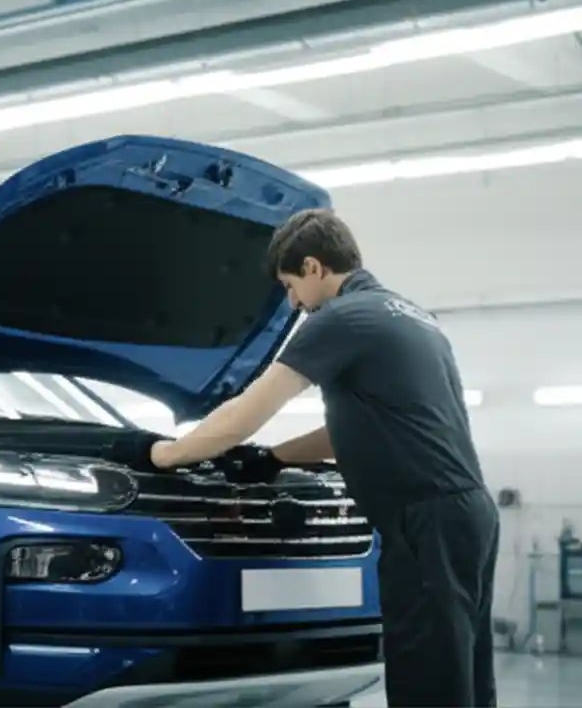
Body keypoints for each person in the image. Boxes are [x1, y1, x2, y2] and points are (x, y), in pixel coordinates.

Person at [116, 207, 499, 707]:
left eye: (289, 285)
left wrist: (167, 453)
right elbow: (368, 428)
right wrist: (275, 459)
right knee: (464, 674)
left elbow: (250, 408)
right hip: (467, 515)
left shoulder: (338, 318)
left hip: (424, 522)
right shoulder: (410, 316)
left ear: (314, 268)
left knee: (427, 680)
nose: (292, 302)